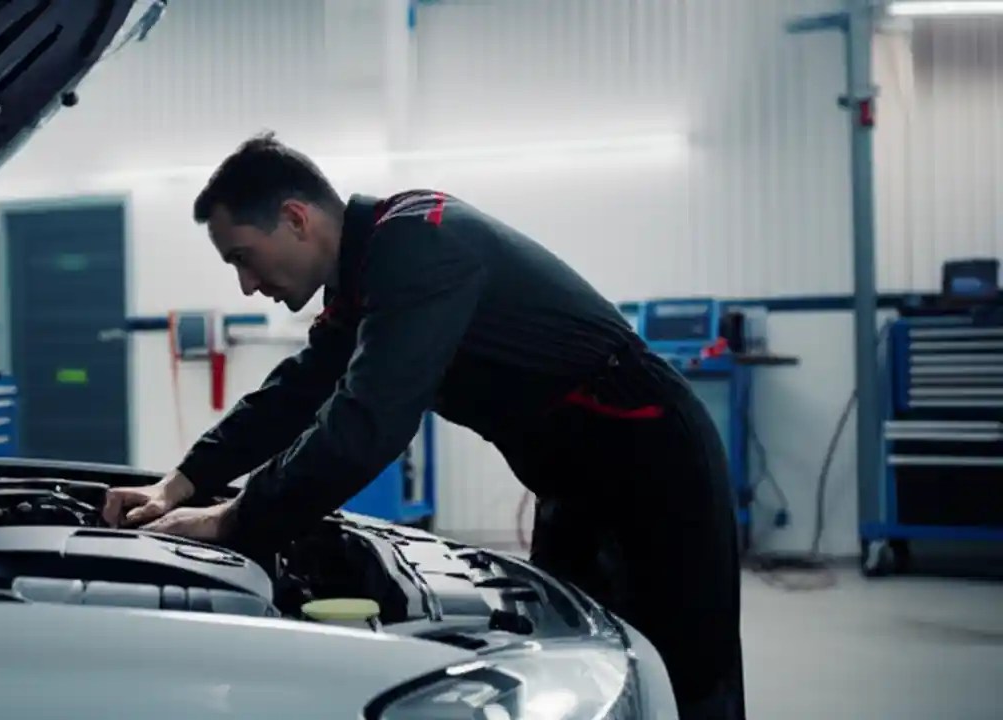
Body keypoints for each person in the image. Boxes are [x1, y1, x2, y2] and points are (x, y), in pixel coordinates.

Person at [102, 131, 746, 719]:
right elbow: (296, 392)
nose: (245, 286)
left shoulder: (418, 243)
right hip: (577, 480)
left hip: (654, 463)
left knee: (684, 678)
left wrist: (238, 518)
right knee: (586, 666)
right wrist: (183, 483)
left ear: (296, 218)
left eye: (243, 257)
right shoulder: (366, 275)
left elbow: (369, 425)